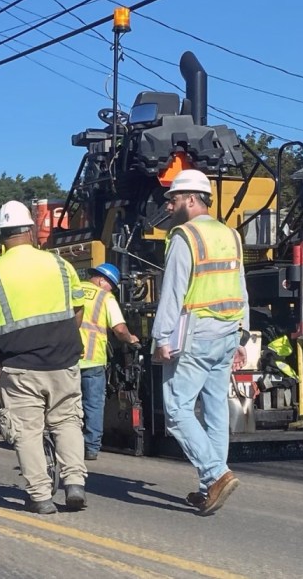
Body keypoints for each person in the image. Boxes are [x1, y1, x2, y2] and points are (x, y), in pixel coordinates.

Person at [0, 200, 88, 515]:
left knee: (27, 431)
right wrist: (63, 340)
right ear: (33, 231)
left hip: (19, 365)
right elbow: (77, 308)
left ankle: (41, 496)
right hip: (64, 359)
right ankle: (74, 482)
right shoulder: (62, 265)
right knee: (68, 421)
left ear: (1, 237)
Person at [150, 169, 249, 516]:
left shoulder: (184, 236)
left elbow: (173, 291)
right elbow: (241, 286)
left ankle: (216, 474)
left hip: (196, 333)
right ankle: (211, 488)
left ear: (191, 199)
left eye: (174, 198)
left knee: (177, 410)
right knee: (215, 411)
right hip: (227, 334)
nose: (170, 204)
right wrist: (243, 335)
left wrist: (162, 337)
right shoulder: (230, 235)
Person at [78, 263, 140, 461]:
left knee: (65, 404)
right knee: (93, 404)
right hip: (92, 360)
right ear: (102, 280)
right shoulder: (105, 297)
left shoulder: (73, 289)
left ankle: (64, 444)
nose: (111, 289)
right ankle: (91, 447)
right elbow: (120, 330)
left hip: (66, 358)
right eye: (111, 285)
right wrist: (131, 339)